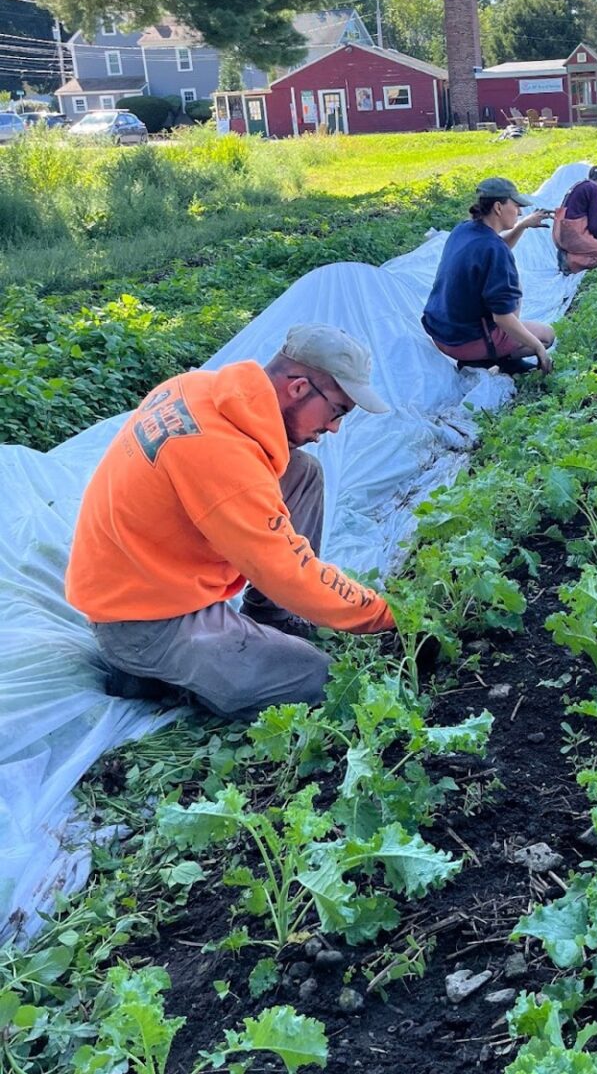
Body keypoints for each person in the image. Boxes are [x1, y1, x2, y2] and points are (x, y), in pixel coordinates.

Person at [66, 324, 399, 718]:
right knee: (319, 678)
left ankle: (271, 619)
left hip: (137, 572)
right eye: (337, 411)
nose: (333, 428)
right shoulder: (224, 462)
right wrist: (384, 616)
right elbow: (289, 571)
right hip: (143, 620)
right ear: (297, 389)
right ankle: (152, 674)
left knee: (303, 471)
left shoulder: (198, 387)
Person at [422, 176, 555, 375]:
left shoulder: (463, 230)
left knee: (508, 291)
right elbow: (502, 318)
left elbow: (495, 248)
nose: (519, 212)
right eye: (516, 205)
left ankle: (487, 354)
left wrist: (522, 226)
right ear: (498, 208)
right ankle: (488, 360)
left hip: (441, 333)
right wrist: (537, 349)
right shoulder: (494, 250)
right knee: (546, 335)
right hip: (466, 341)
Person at [553, 165, 597, 274]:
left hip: (559, 234)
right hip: (574, 234)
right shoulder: (596, 190)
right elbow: (594, 228)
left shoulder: (581, 185)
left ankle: (570, 255)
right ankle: (571, 261)